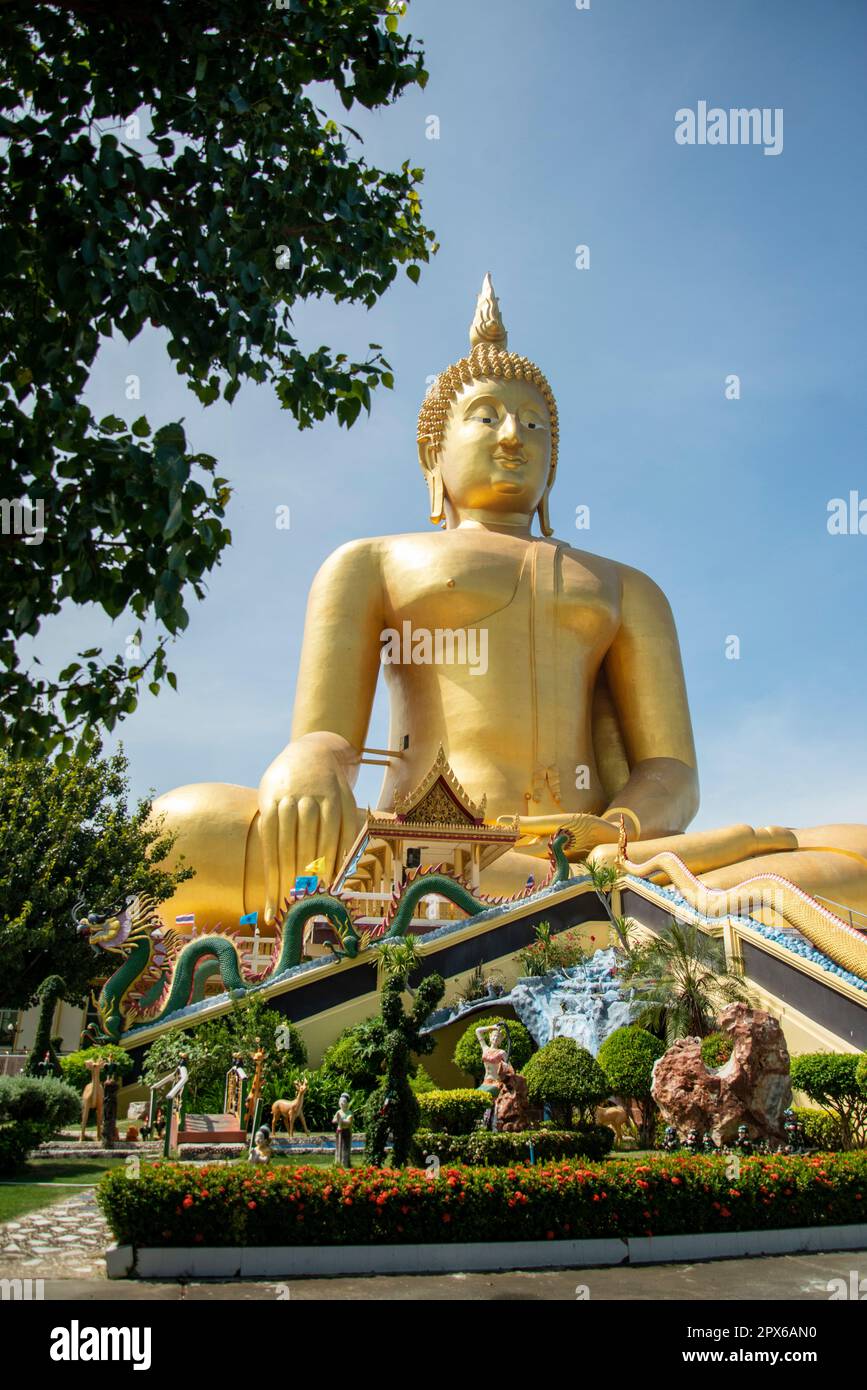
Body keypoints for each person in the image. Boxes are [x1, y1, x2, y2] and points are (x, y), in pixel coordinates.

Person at [332, 1092, 353, 1168]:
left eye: (343, 1102)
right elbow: (333, 1120)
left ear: (347, 1103)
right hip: (339, 1132)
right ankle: (337, 1163)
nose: (342, 1104)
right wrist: (339, 1120)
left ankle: (345, 1164)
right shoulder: (338, 1112)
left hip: (346, 1132)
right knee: (338, 1148)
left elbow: (349, 1122)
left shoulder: (349, 1112)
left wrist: (341, 1120)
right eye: (340, 1102)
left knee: (345, 1149)